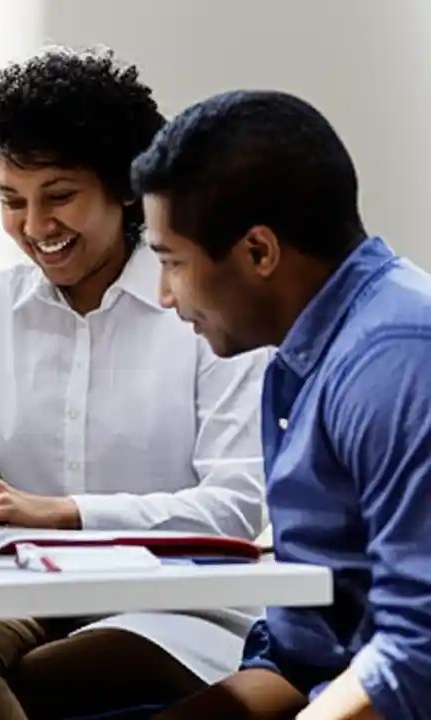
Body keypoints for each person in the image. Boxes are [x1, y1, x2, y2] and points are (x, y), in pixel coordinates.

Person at [0, 47, 268, 720]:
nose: (35, 228)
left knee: (47, 677)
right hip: (32, 588)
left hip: (177, 602)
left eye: (59, 196)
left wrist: (66, 513)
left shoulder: (205, 296)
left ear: (123, 187)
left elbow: (234, 507)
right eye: (12, 201)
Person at [135, 91, 431, 720]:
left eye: (173, 264)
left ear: (259, 252)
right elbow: (308, 645)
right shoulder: (301, 355)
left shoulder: (396, 362)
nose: (164, 296)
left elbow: (417, 656)